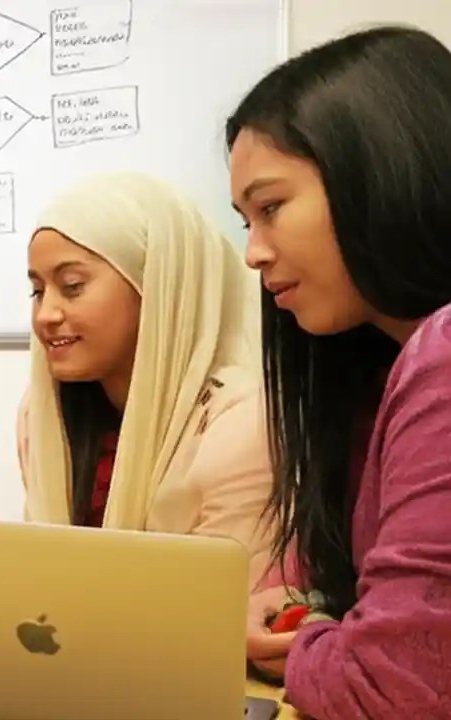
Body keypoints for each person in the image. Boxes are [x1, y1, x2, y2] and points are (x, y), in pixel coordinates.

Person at [230, 26, 451, 719]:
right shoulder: (369, 370)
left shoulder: (443, 355)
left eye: (271, 209)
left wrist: (309, 644)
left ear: (383, 169)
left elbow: (391, 689)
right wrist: (305, 605)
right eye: (244, 221)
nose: (253, 253)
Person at [17, 172, 274, 586]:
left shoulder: (241, 423)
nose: (46, 314)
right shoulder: (43, 414)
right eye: (37, 291)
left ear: (155, 286)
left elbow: (226, 614)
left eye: (72, 286)